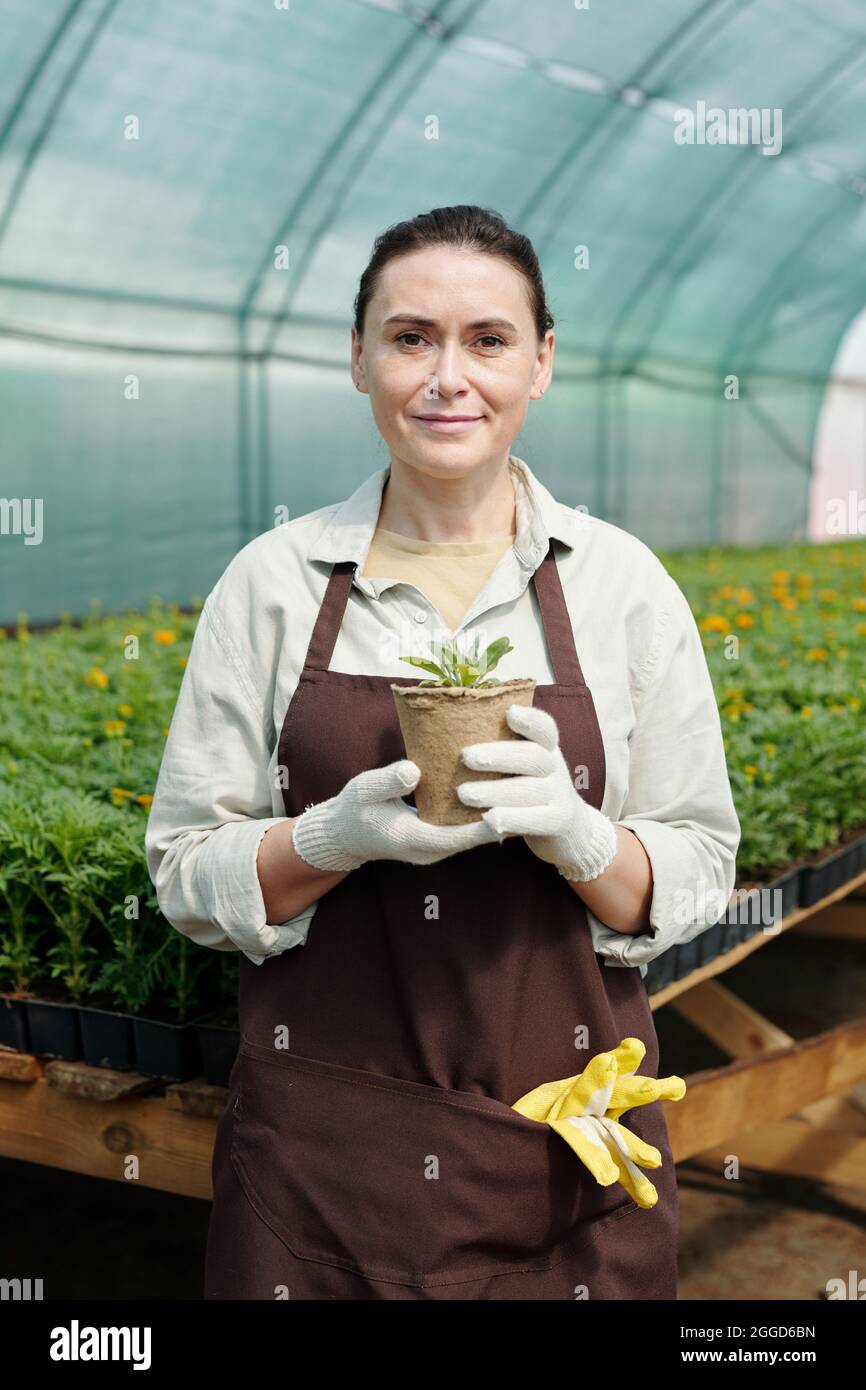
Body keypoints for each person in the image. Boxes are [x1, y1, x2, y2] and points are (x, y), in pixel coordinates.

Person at [146, 204, 740, 1301]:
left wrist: (579, 835)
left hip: (564, 1143)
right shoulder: (273, 583)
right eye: (410, 336)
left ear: (541, 361)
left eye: (487, 339)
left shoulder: (619, 586)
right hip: (321, 1157)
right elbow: (184, 870)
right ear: (358, 356)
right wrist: (331, 837)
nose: (445, 376)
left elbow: (700, 863)